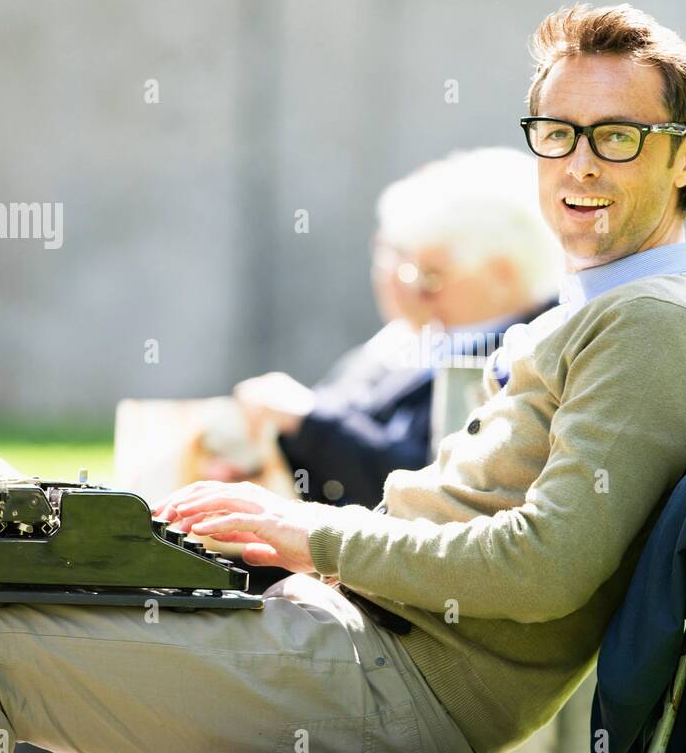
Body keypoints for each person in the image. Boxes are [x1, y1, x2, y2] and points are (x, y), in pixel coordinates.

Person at [0, 2, 686, 753]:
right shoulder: (626, 309)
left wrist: (308, 538)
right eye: (556, 132)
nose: (579, 164)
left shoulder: (653, 324)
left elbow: (544, 567)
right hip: (363, 645)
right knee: (10, 591)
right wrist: (289, 551)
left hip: (394, 684)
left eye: (616, 136)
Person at [217, 147, 562, 509]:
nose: (411, 290)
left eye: (430, 277)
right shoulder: (411, 337)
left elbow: (438, 485)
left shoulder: (532, 357)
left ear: (502, 275)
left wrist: (310, 421)